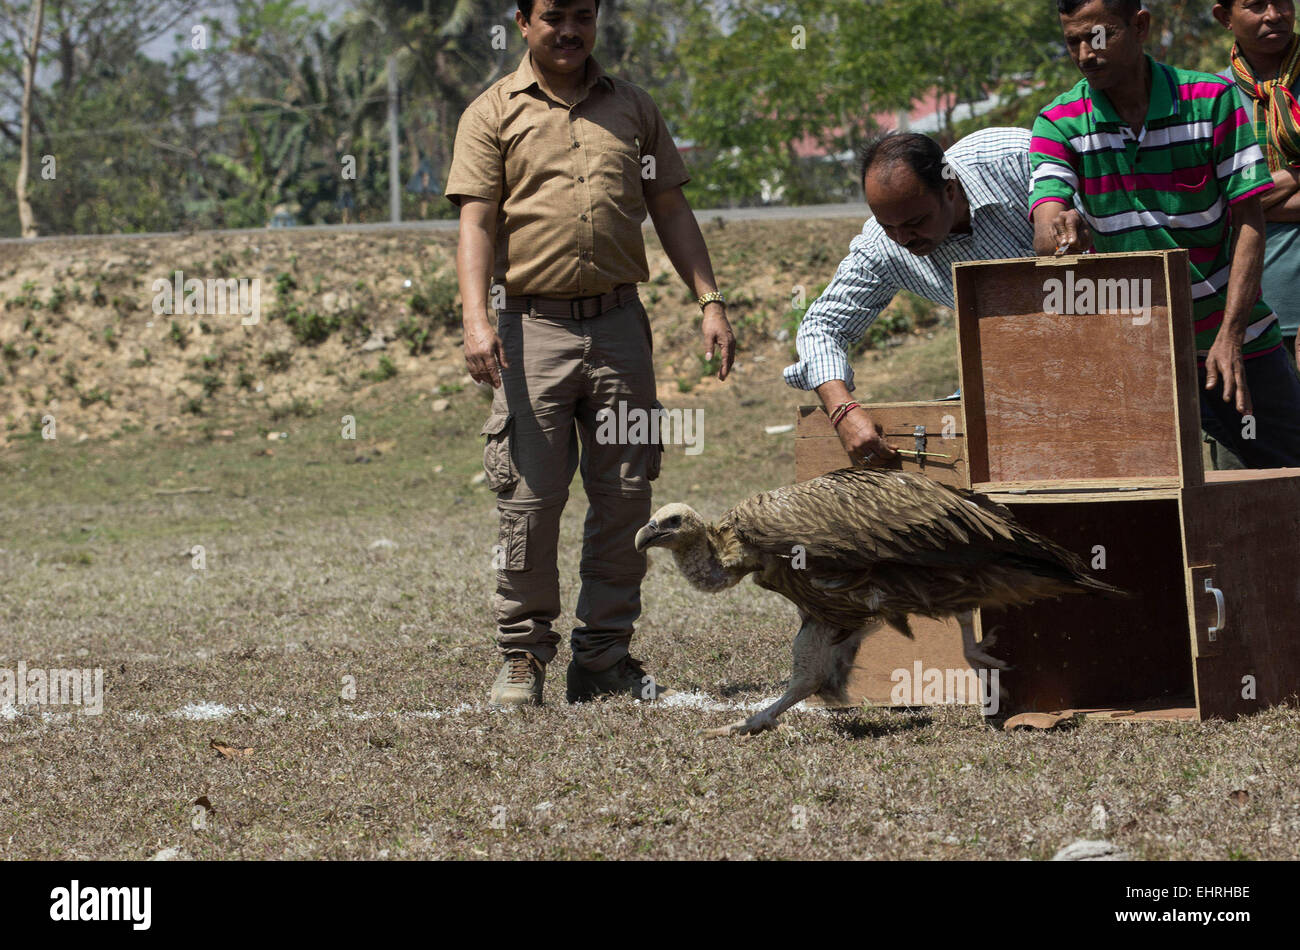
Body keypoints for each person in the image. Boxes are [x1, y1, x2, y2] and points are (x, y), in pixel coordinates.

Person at [445, 0, 735, 708]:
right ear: (521, 21)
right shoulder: (492, 112)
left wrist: (710, 300)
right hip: (528, 333)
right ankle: (522, 656)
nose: (568, 29)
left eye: (581, 14)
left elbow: (668, 207)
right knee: (530, 502)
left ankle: (603, 656)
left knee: (626, 497)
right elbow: (477, 221)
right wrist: (476, 318)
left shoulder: (633, 108)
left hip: (619, 329)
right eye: (552, 16)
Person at [1031, 0, 1300, 468]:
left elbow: (1250, 222)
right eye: (1072, 41)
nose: (1085, 54)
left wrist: (1230, 335)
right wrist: (1060, 227)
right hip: (1135, 350)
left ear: (1140, 27)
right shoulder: (1058, 122)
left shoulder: (1210, 99)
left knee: (1286, 473)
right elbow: (1046, 219)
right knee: (1152, 499)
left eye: (1097, 36)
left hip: (1237, 339)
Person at [784, 127, 1035, 463]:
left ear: (949, 190)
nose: (902, 238)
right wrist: (842, 411)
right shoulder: (882, 247)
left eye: (916, 221)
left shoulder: (1015, 160)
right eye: (888, 225)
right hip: (1007, 376)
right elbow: (822, 326)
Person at [1214, 0, 1300, 368]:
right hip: (1247, 314)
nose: (1273, 14)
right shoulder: (1211, 99)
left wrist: (1248, 200)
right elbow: (1215, 205)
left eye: (1282, 0)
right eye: (1254, 5)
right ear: (1224, 18)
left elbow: (1236, 202)